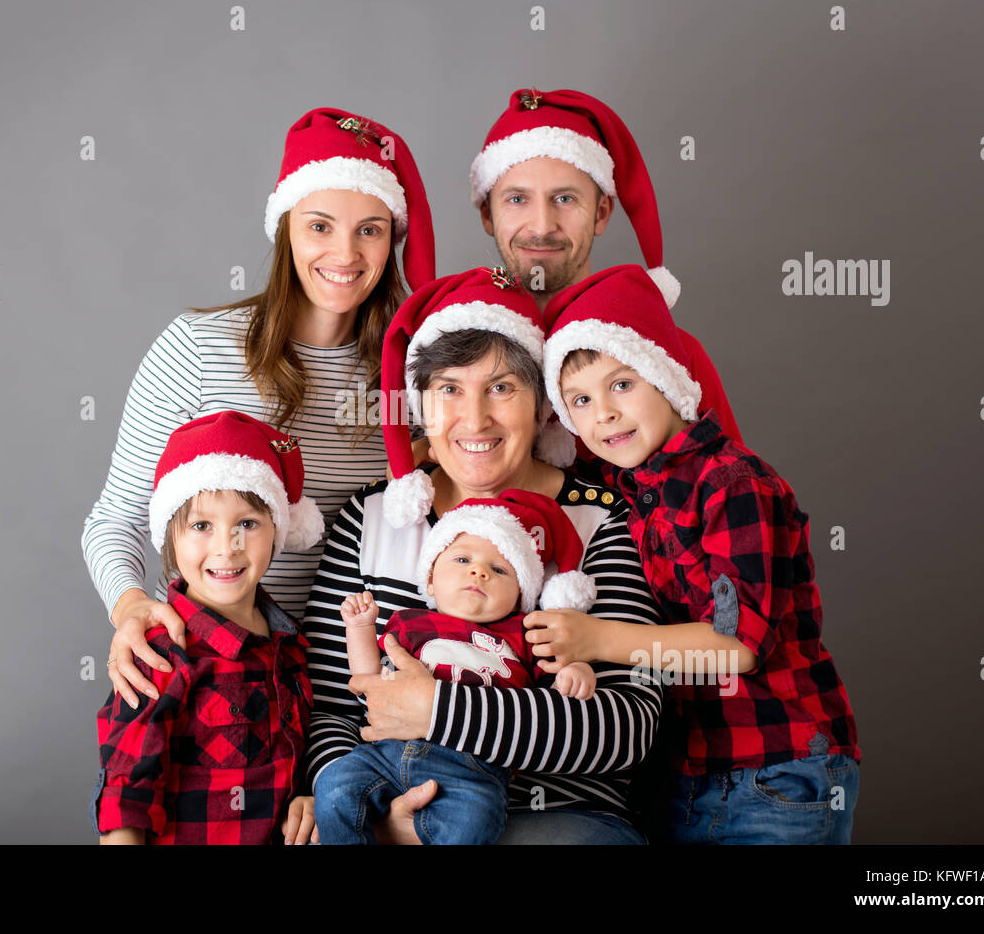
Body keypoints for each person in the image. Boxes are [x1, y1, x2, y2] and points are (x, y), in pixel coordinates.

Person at [81, 107, 435, 724]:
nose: (345, 253)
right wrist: (130, 603)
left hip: (351, 688)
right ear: (286, 229)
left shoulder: (414, 372)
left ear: (393, 238)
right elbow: (113, 519)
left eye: (370, 230)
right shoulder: (197, 348)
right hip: (219, 680)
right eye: (320, 225)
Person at [302, 266, 663, 845]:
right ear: (420, 402)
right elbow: (330, 705)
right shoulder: (368, 521)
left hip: (555, 817)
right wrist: (379, 819)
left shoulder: (599, 521)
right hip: (386, 806)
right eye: (449, 389)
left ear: (542, 403)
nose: (474, 419)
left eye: (501, 388)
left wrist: (441, 712)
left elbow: (627, 725)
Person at [539, 264, 860, 843]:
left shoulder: (733, 483)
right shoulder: (633, 490)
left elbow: (737, 644)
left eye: (622, 384)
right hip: (684, 772)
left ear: (665, 376)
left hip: (777, 765)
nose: (603, 413)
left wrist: (594, 640)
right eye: (579, 400)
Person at [314, 489, 598, 844]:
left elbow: (559, 674)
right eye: (462, 561)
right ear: (431, 579)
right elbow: (367, 679)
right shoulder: (410, 622)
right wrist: (358, 628)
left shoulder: (525, 633)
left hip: (472, 768)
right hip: (386, 753)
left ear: (521, 594)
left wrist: (576, 671)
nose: (478, 572)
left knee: (473, 821)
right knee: (335, 786)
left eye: (499, 569)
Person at [91, 411, 323, 844]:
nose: (226, 547)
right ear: (170, 538)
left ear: (277, 530)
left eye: (248, 524)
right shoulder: (159, 654)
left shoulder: (289, 644)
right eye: (201, 526)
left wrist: (312, 795)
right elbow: (125, 802)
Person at [469, 86, 742, 443]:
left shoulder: (668, 356)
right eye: (517, 199)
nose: (541, 226)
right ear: (488, 215)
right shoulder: (456, 361)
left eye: (565, 199)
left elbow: (734, 488)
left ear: (600, 214)